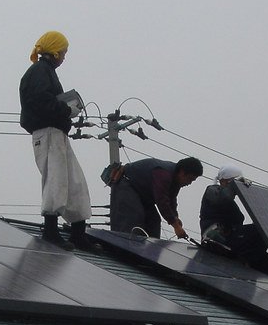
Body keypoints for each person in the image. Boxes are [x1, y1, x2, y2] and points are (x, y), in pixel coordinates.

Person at [19, 30, 97, 251]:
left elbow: (43, 99)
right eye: (63, 51)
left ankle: (78, 232)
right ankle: (51, 231)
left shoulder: (44, 71)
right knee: (56, 179)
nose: (64, 56)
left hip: (56, 133)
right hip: (47, 132)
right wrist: (65, 108)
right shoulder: (39, 71)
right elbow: (40, 100)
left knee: (75, 182)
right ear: (54, 51)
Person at [199, 165, 268, 275]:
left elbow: (238, 221)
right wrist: (234, 186)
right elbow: (223, 198)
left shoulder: (231, 204)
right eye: (236, 183)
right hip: (216, 238)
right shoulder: (212, 191)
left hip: (231, 238)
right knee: (257, 231)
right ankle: (248, 260)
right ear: (227, 182)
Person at [109, 157, 203, 239]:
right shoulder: (163, 174)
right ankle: (126, 248)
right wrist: (176, 226)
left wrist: (175, 217)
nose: (189, 183)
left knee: (153, 221)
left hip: (142, 194)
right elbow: (162, 201)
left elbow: (171, 200)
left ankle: (149, 253)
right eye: (190, 179)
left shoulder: (175, 180)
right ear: (182, 173)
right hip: (127, 184)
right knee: (134, 217)